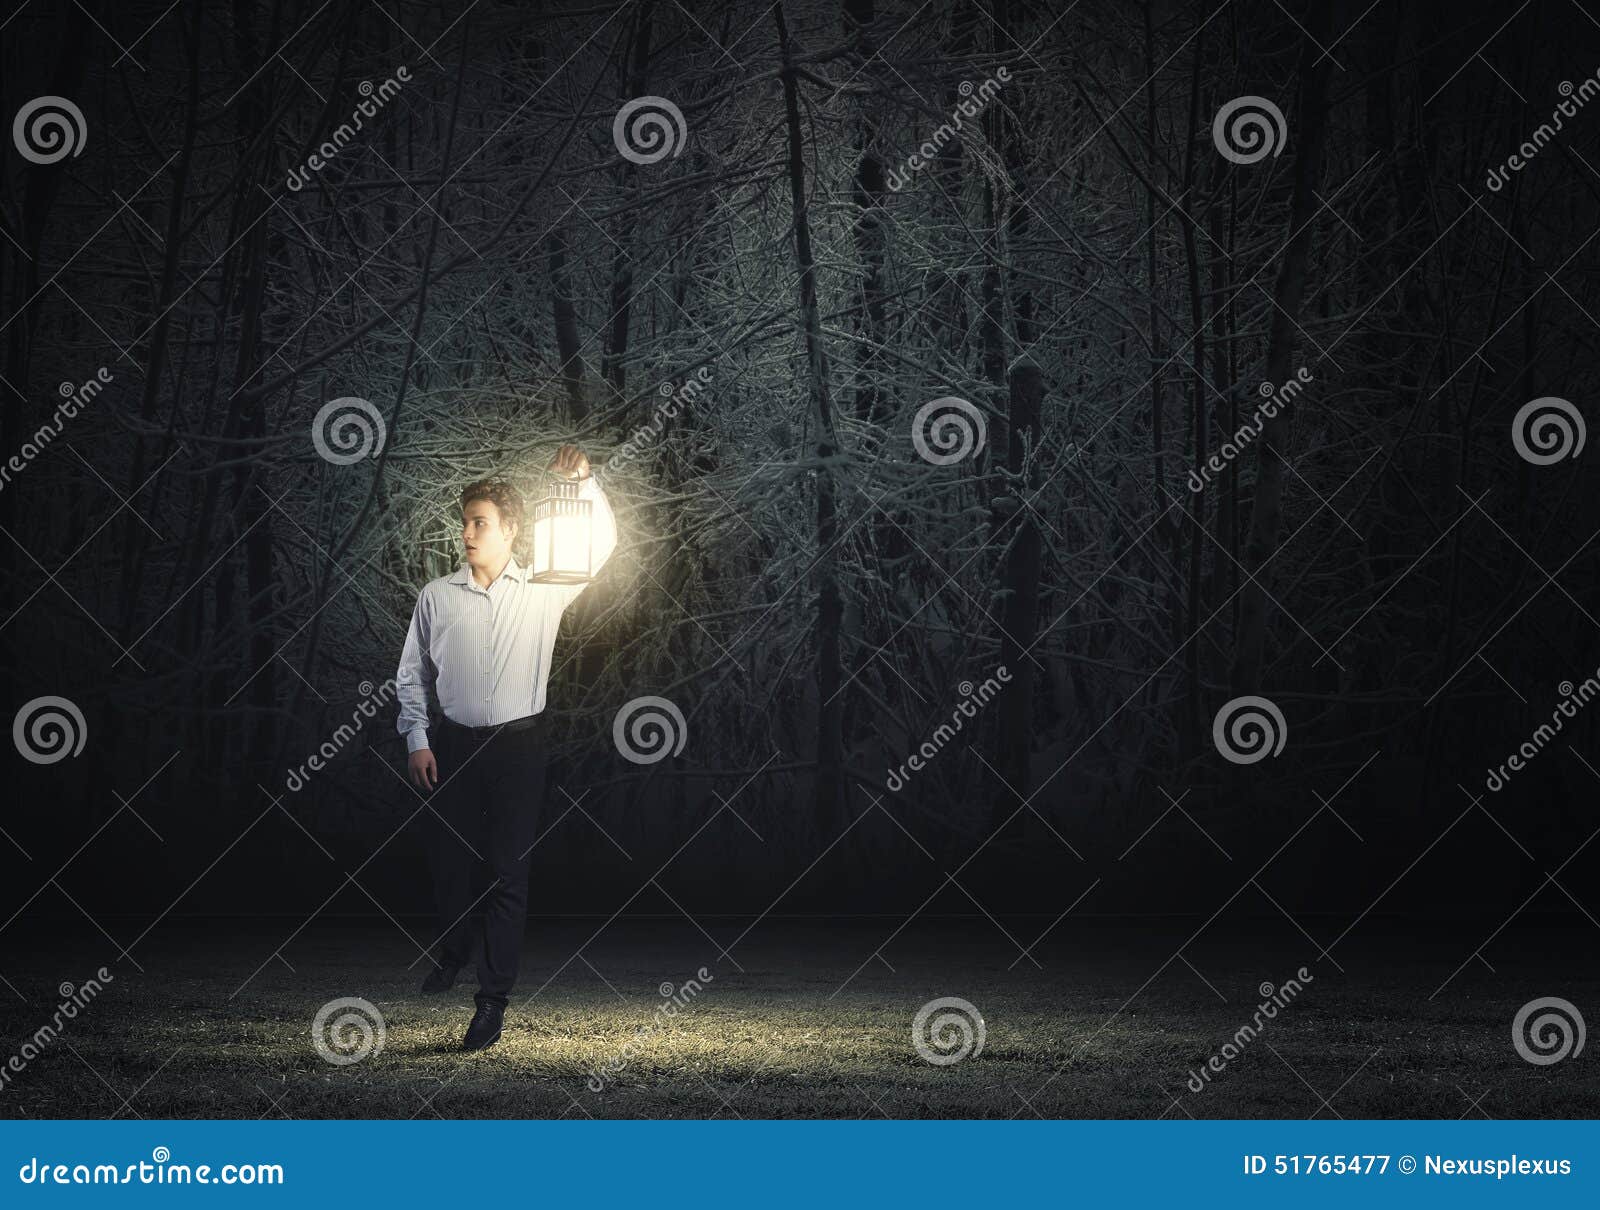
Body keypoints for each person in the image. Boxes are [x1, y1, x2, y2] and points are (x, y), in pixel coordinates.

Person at [395, 444, 616, 1051]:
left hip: (520, 747)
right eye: (465, 521)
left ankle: (491, 1003)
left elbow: (601, 551)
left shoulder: (547, 589)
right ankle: (455, 946)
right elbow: (411, 671)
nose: (466, 533)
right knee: (449, 866)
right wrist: (417, 736)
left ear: (509, 530)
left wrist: (587, 484)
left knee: (507, 875)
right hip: (453, 746)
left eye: (479, 522)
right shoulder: (437, 596)